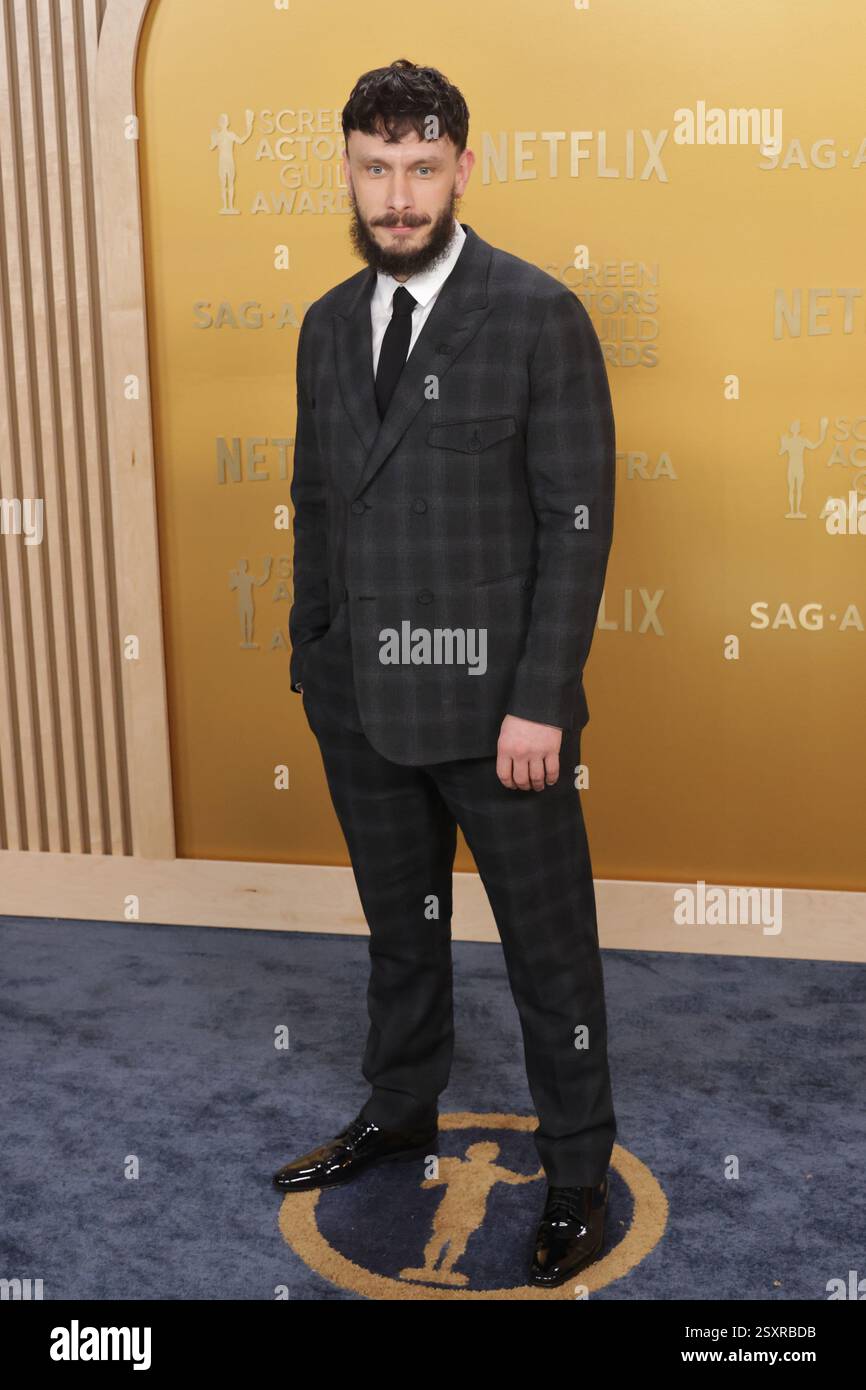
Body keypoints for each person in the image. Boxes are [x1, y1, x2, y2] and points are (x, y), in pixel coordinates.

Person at [275, 58, 617, 1289]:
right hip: (359, 700)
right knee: (399, 930)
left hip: (496, 709)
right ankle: (400, 1105)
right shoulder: (325, 323)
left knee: (549, 948)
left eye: (422, 168)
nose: (399, 194)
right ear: (350, 173)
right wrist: (315, 657)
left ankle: (576, 1163)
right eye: (377, 168)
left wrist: (542, 698)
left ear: (462, 168)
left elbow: (578, 522)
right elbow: (318, 503)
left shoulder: (536, 313)